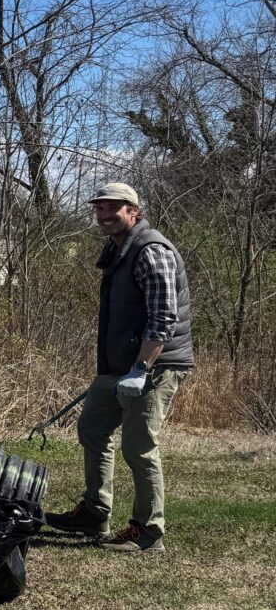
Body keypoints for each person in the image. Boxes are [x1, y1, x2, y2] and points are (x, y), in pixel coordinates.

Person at [45, 183, 193, 553]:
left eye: (114, 208)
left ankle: (148, 532)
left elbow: (164, 317)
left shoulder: (151, 250)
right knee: (92, 429)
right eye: (100, 209)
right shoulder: (119, 250)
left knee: (139, 448)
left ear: (134, 211)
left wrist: (141, 367)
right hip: (120, 365)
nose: (105, 215)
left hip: (154, 365)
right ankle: (94, 514)